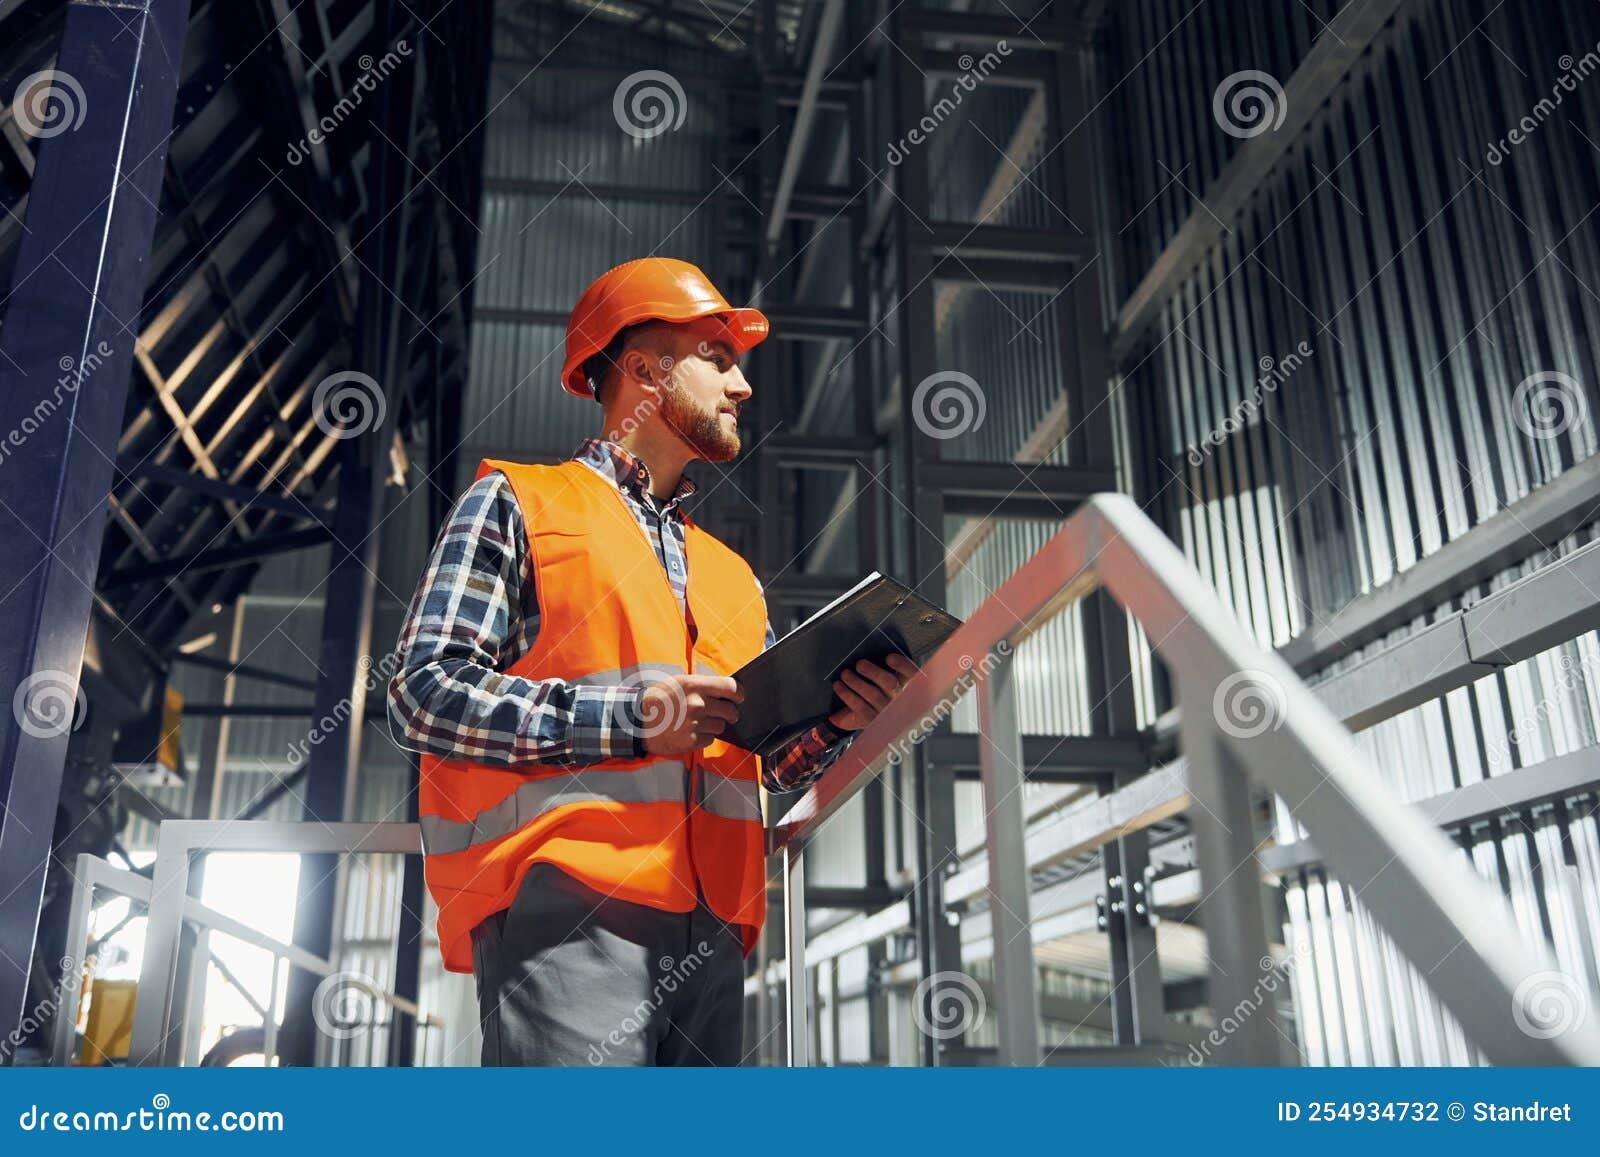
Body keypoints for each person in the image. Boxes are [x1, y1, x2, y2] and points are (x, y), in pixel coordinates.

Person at [388, 257, 918, 1066]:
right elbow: (424, 692)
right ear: (645, 370)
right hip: (569, 906)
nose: (742, 386)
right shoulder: (520, 503)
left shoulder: (731, 576)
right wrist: (632, 720)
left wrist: (835, 721)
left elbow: (759, 761)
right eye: (719, 359)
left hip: (716, 926)